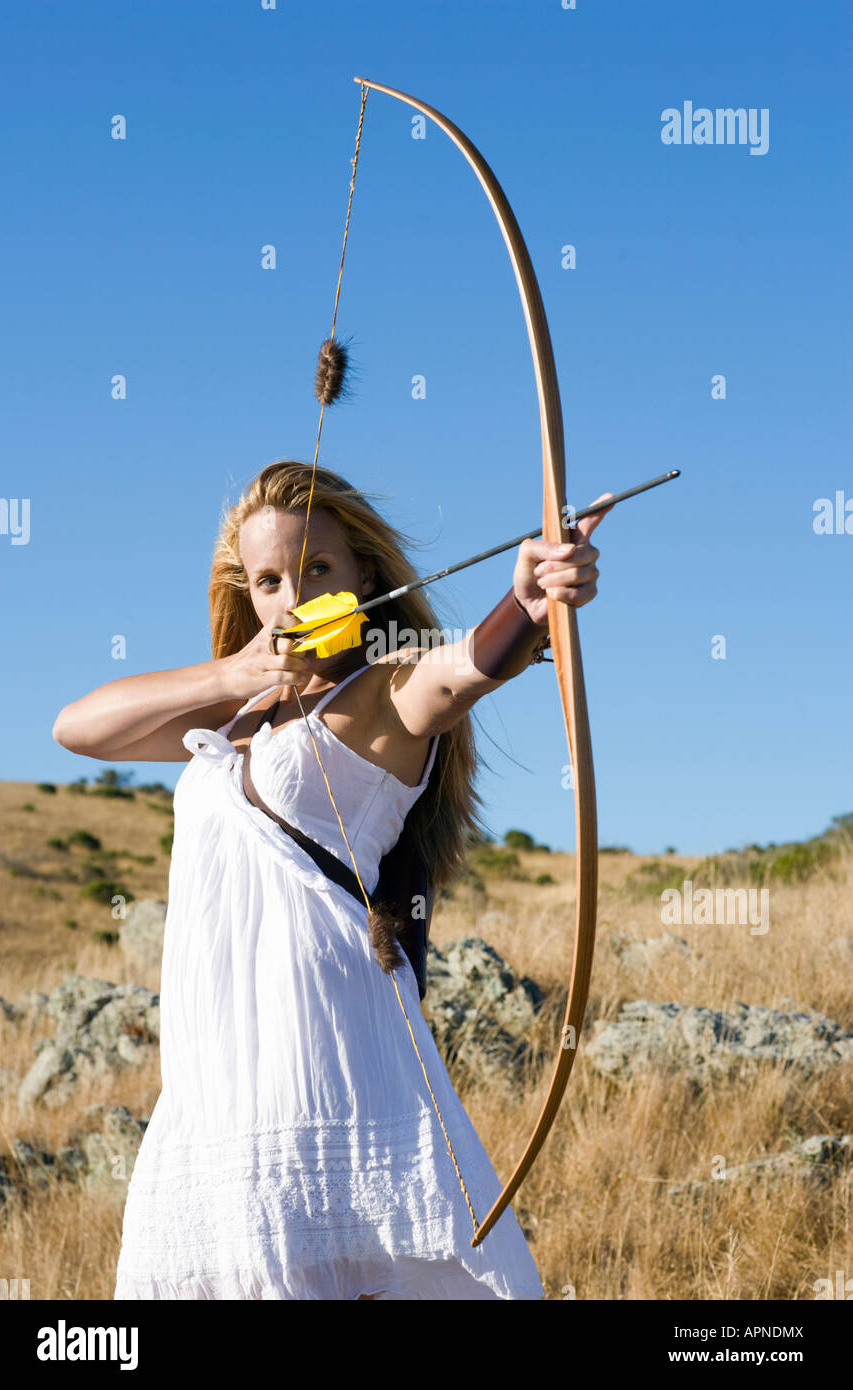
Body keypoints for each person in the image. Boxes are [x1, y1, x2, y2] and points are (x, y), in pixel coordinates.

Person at [52, 459, 609, 1300]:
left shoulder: (385, 691)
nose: (292, 595)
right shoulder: (232, 717)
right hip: (218, 1080)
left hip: (330, 1058)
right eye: (269, 579)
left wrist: (528, 606)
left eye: (317, 568)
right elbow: (76, 729)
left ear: (363, 579)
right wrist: (233, 675)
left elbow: (460, 671)